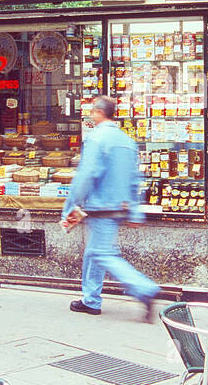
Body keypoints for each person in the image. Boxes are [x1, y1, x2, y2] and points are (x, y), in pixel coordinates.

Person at [61, 95, 160, 321]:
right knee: (94, 252)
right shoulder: (127, 140)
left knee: (102, 253)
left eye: (92, 111)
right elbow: (135, 179)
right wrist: (134, 210)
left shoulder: (97, 138)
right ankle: (91, 299)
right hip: (119, 206)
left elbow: (86, 174)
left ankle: (144, 289)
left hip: (100, 205)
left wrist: (71, 204)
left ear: (98, 112)